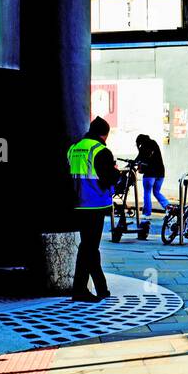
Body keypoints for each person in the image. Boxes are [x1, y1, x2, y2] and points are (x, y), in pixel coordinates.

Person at [67, 116, 116, 302]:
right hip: (95, 204)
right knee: (89, 247)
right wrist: (116, 173)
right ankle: (79, 290)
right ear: (104, 135)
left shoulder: (74, 148)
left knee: (89, 247)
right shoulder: (100, 150)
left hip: (77, 203)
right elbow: (108, 179)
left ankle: (101, 288)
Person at [134, 133, 168, 227]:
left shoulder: (143, 146)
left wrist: (132, 164)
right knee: (156, 191)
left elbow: (138, 158)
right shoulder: (154, 143)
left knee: (147, 193)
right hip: (161, 173)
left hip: (150, 174)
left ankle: (147, 213)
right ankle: (168, 207)